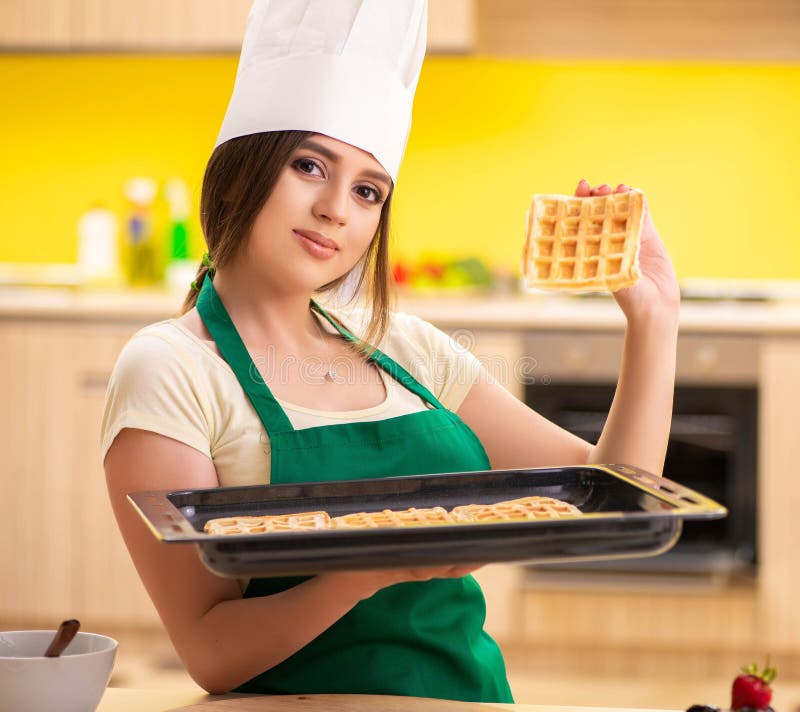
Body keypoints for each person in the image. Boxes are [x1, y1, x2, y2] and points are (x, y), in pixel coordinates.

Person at [102, 0, 680, 702]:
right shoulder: (170, 369)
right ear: (243, 168)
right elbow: (211, 654)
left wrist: (654, 319)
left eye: (368, 191)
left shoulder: (406, 347)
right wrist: (371, 569)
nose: (336, 210)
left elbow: (618, 501)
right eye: (310, 166)